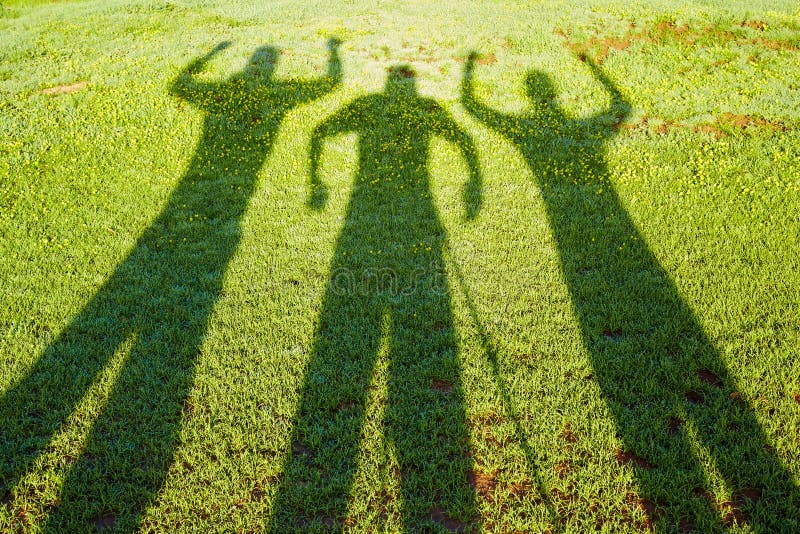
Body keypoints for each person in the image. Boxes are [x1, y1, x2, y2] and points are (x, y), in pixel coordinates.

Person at [0, 39, 341, 530]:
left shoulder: (224, 94)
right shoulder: (270, 96)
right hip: (225, 210)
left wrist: (208, 58)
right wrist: (332, 50)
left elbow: (182, 83)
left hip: (194, 208)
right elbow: (327, 85)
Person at [461, 52, 798, 529]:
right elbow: (619, 106)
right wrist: (597, 73)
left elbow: (479, 112)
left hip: (573, 249)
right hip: (614, 239)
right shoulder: (580, 130)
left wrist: (470, 74)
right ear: (553, 98)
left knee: (612, 348)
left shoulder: (532, 134)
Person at [270, 65, 482, 530]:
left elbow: (321, 132)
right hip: (403, 223)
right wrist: (472, 185)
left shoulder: (371, 106)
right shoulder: (424, 109)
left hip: (368, 221)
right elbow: (464, 142)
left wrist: (317, 181)